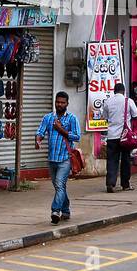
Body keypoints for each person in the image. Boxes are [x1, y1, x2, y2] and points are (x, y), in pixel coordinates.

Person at [36, 91, 82, 224]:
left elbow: (77, 136)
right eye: (58, 102)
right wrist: (38, 140)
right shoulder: (48, 118)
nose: (60, 104)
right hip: (52, 159)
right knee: (58, 187)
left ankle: (55, 211)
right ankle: (66, 210)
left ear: (67, 104)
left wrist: (61, 129)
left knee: (60, 185)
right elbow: (40, 131)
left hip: (65, 158)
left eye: (62, 102)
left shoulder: (72, 118)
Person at [104, 82, 137, 193]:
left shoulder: (108, 102)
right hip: (125, 137)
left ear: (114, 91)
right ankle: (125, 184)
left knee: (112, 160)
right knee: (125, 160)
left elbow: (105, 117)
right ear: (124, 91)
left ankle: (111, 183)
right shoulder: (128, 101)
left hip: (112, 136)